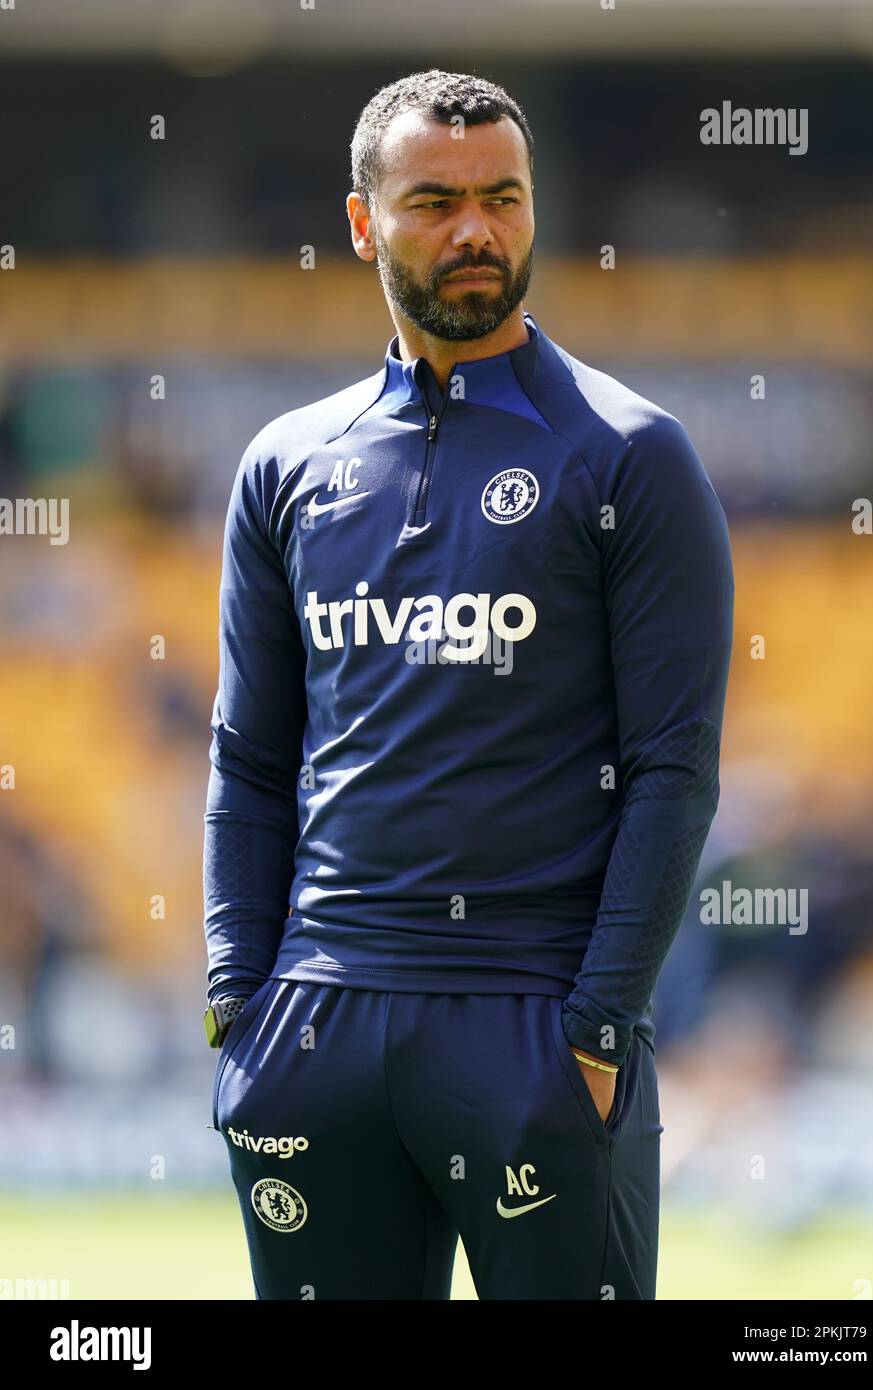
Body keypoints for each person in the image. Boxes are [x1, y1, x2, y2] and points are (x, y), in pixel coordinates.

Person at [203, 68, 734, 1300]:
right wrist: (237, 1003)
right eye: (434, 201)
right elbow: (249, 760)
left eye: (501, 197)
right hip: (318, 1019)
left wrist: (597, 1030)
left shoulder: (626, 452)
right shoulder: (285, 464)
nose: (475, 231)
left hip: (531, 1020)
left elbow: (673, 772)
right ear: (359, 223)